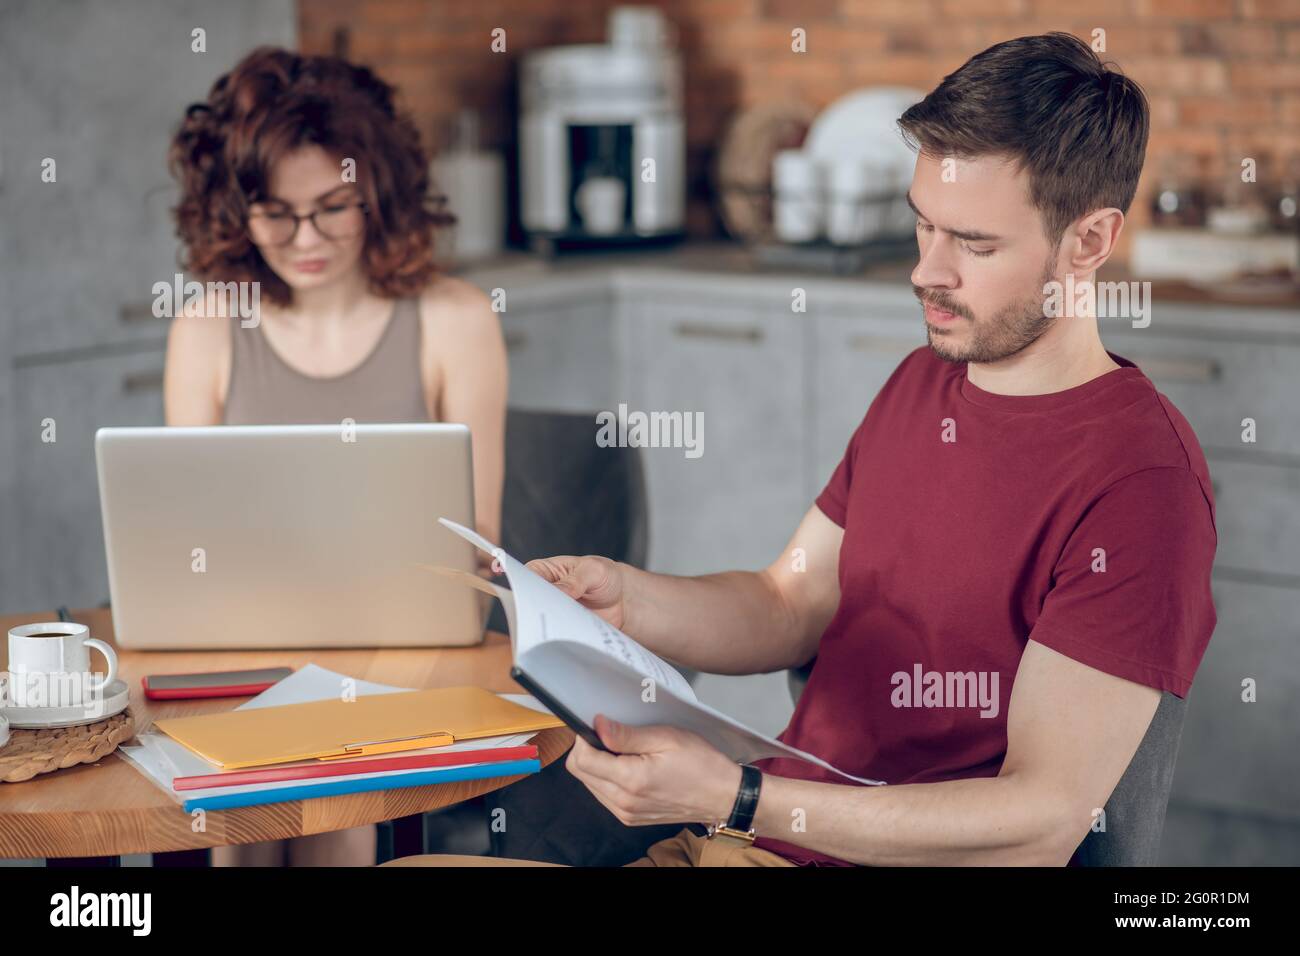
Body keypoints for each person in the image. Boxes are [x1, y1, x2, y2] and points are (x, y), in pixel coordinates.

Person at [385, 33, 1217, 868]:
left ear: (1089, 241)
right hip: (740, 843)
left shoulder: (1142, 482)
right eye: (922, 227)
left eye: (974, 243)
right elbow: (790, 602)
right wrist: (628, 602)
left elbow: (1040, 823)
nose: (927, 272)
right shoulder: (922, 382)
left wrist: (739, 796)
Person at [163, 47, 507, 866]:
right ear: (233, 211)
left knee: (324, 787)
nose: (305, 239)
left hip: (401, 652)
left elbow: (478, 547)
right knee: (251, 800)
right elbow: (188, 548)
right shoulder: (209, 324)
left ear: (378, 195)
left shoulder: (455, 319)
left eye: (333, 207)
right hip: (245, 651)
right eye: (275, 212)